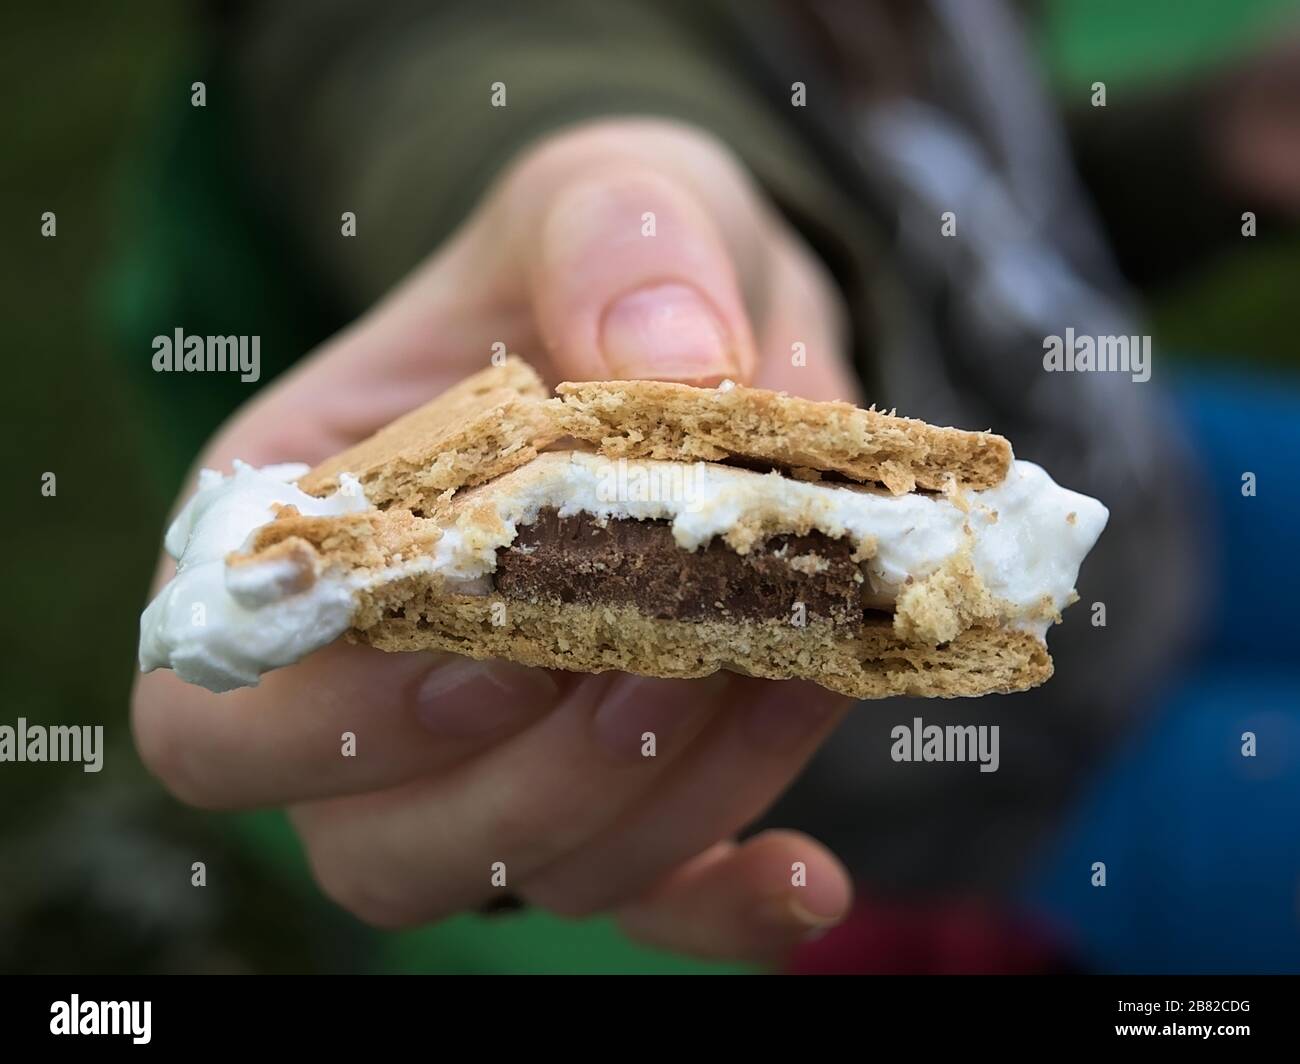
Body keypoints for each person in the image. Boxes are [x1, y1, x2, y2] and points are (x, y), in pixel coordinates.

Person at [130, 0, 1295, 967]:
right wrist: (614, 173)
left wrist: (1202, 150)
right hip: (998, 784)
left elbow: (959, 213)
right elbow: (451, 55)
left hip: (1139, 463)